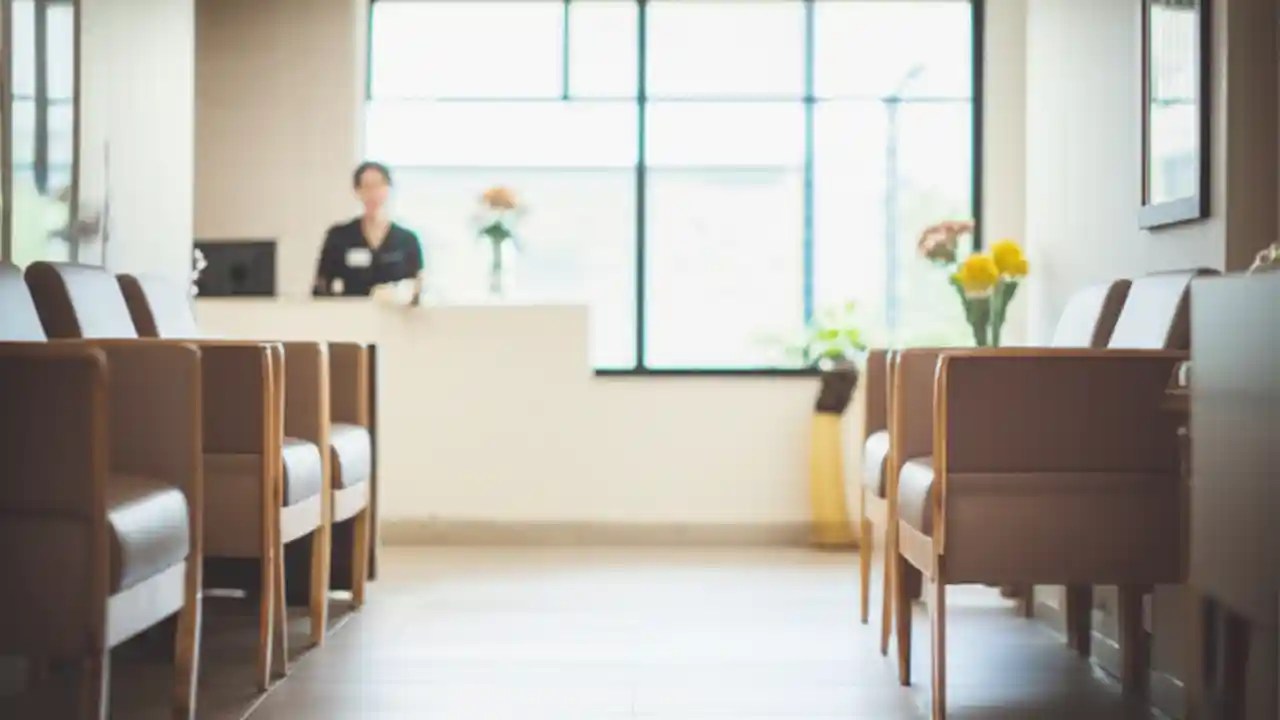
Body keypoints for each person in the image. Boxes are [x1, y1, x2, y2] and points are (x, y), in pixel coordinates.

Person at [314, 161, 424, 303]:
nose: (373, 193)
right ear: (357, 191)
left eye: (378, 185)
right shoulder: (339, 236)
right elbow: (321, 286)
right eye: (366, 187)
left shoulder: (407, 240)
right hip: (351, 318)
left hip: (395, 320)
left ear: (388, 189)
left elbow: (418, 288)